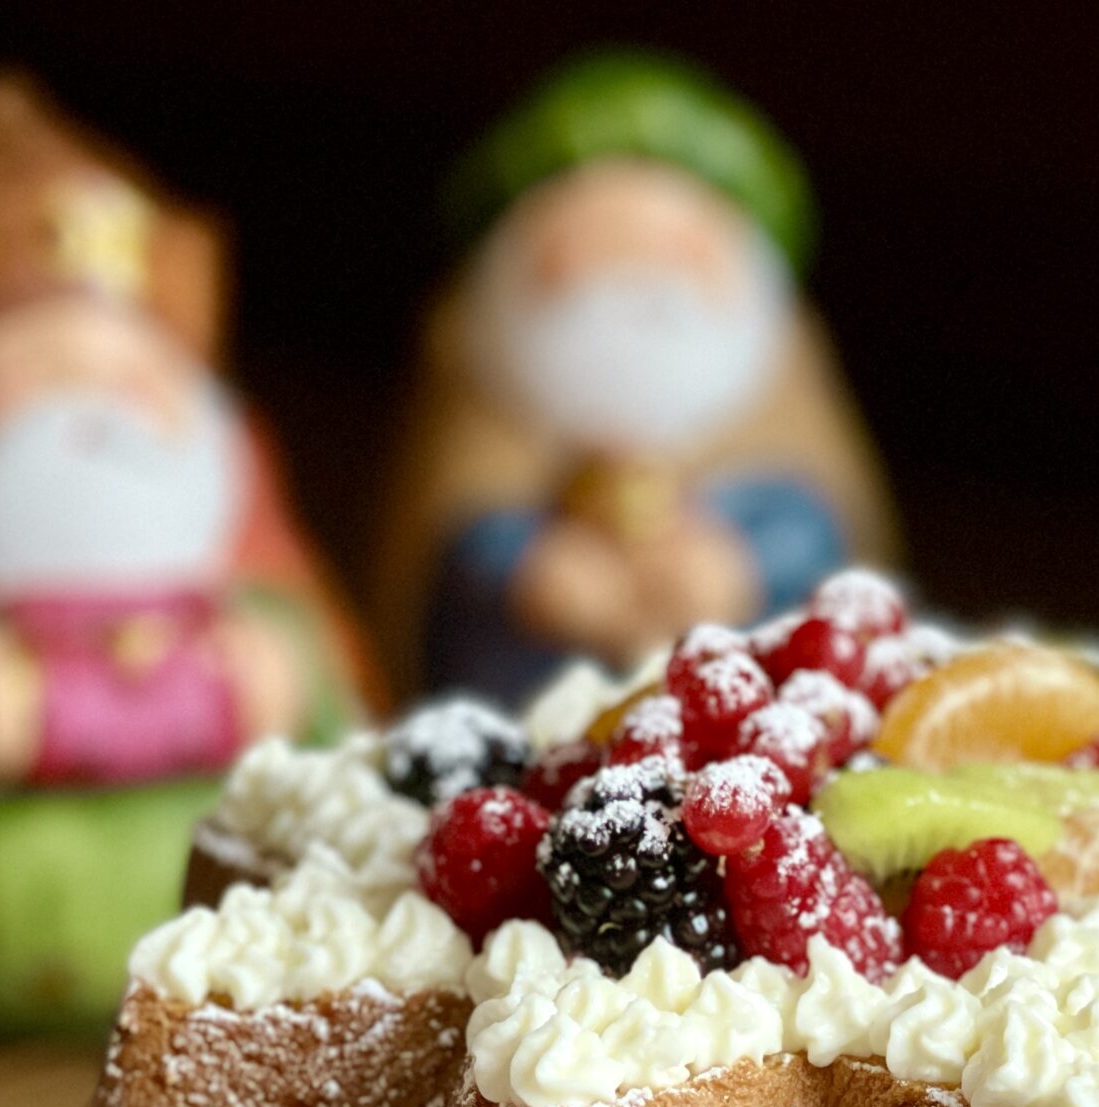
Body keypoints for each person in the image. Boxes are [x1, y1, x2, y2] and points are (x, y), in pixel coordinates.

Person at [0, 74, 375, 1031]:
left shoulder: (233, 543)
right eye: (33, 375)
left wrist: (266, 672)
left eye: (126, 377)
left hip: (250, 990)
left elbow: (318, 676)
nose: (88, 407)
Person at [376, 51, 895, 704]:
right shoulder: (481, 413)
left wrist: (742, 563)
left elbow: (817, 532)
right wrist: (533, 576)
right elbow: (457, 548)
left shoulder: (779, 422)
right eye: (589, 250)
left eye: (678, 251)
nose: (634, 280)